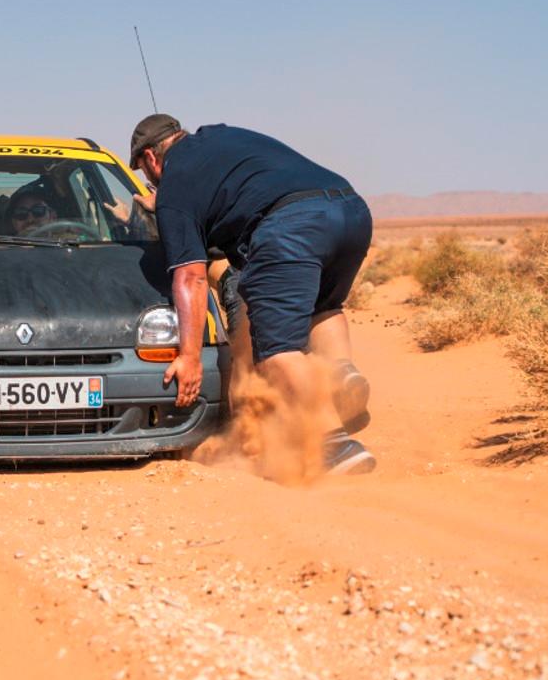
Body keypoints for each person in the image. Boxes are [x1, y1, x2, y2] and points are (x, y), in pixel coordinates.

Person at [129, 113, 375, 475]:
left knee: (277, 351)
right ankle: (341, 376)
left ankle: (335, 444)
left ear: (151, 157)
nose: (149, 180)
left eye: (143, 170)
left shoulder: (175, 186)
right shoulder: (220, 138)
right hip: (350, 209)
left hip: (290, 227)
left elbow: (192, 278)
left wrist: (190, 357)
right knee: (322, 307)